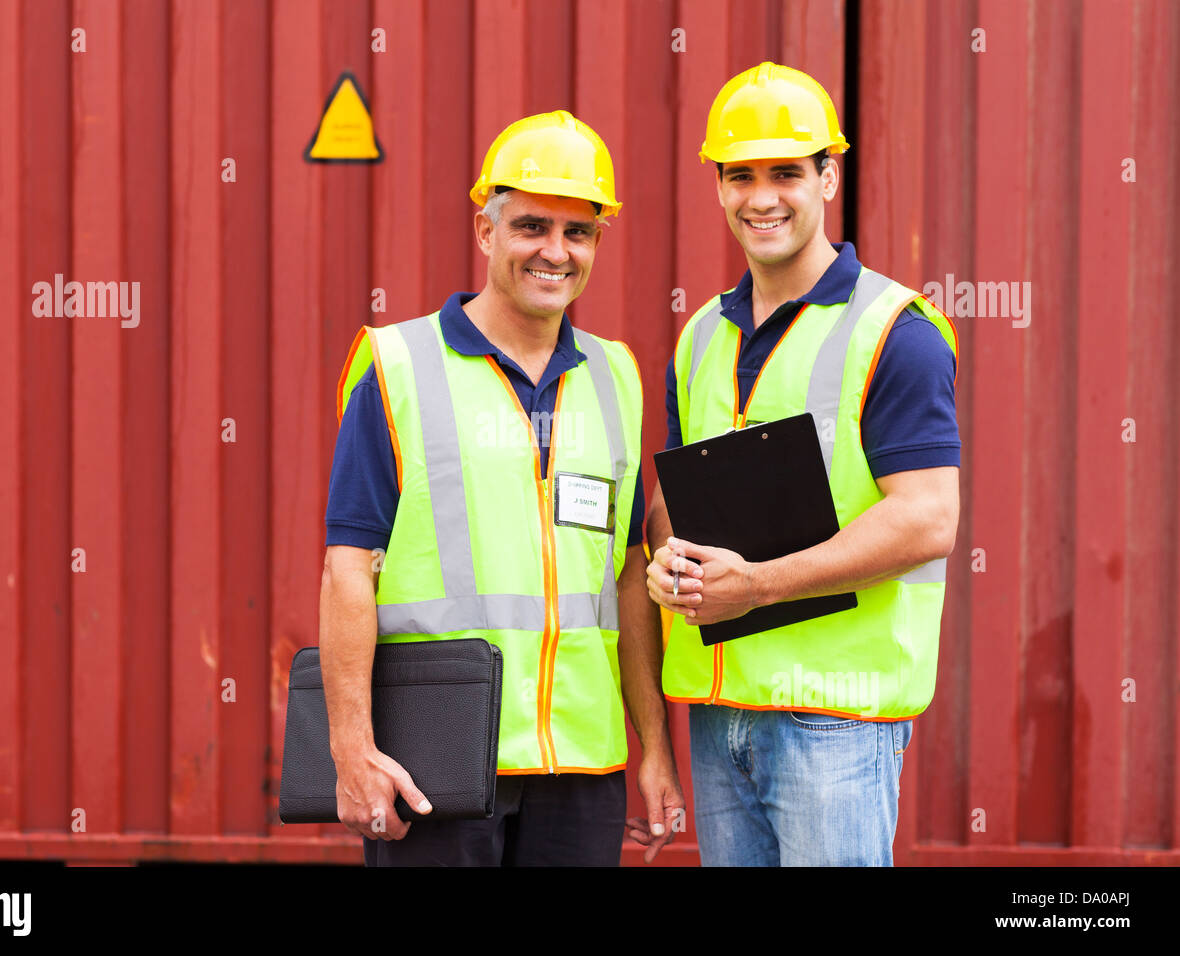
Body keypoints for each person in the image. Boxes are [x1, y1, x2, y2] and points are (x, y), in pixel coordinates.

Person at [322, 110, 683, 866]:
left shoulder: (617, 377)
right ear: (486, 232)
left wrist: (654, 748)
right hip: (437, 757)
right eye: (531, 227)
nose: (555, 252)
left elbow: (626, 577)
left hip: (581, 765)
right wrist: (350, 751)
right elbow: (348, 568)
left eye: (577, 232)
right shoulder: (399, 366)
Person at [643, 62, 960, 866]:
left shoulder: (896, 329)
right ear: (717, 186)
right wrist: (664, 558)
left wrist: (758, 583)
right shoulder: (699, 339)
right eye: (741, 175)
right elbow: (674, 502)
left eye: (787, 172)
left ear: (828, 177)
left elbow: (928, 517)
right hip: (720, 712)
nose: (763, 197)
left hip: (836, 722)